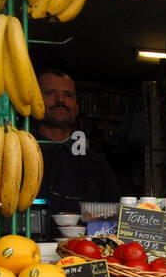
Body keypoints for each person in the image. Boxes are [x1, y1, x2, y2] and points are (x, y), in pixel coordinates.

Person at [32, 67, 122, 215]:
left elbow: (116, 214)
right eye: (50, 93)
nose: (60, 100)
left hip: (85, 238)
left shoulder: (96, 163)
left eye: (68, 95)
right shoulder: (20, 158)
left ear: (77, 107)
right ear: (33, 101)